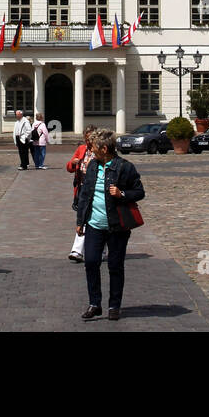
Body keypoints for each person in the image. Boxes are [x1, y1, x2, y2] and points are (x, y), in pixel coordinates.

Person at [75, 127, 145, 321]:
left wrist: (122, 194)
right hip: (94, 225)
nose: (91, 150)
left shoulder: (125, 167)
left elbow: (139, 192)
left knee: (115, 266)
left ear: (104, 149)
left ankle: (114, 305)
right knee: (90, 262)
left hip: (117, 226)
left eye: (94, 147)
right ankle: (94, 303)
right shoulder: (92, 166)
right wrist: (80, 221)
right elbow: (85, 195)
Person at [66, 125, 97, 262]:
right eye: (86, 138)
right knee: (82, 218)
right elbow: (69, 168)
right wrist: (73, 163)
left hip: (97, 189)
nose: (88, 141)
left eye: (90, 138)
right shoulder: (81, 149)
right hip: (82, 188)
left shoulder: (100, 150)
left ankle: (100, 250)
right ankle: (77, 251)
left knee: (98, 220)